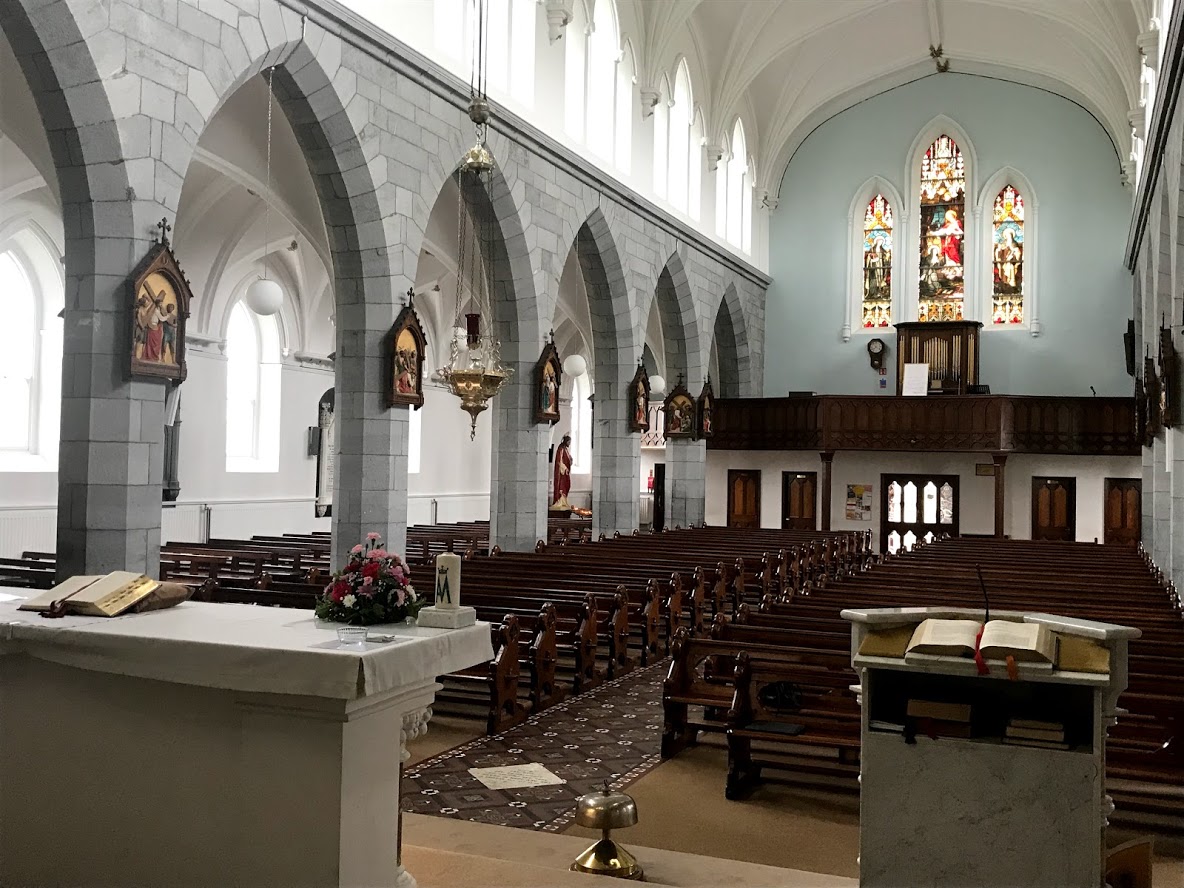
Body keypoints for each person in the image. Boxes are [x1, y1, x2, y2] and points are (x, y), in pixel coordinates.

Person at [550, 434, 572, 510]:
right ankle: (559, 502)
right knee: (562, 487)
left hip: (565, 473)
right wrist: (565, 468)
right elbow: (559, 461)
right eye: (569, 441)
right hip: (561, 473)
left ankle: (564, 502)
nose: (570, 443)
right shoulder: (561, 449)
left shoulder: (565, 449)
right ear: (566, 441)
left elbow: (567, 459)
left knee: (567, 486)